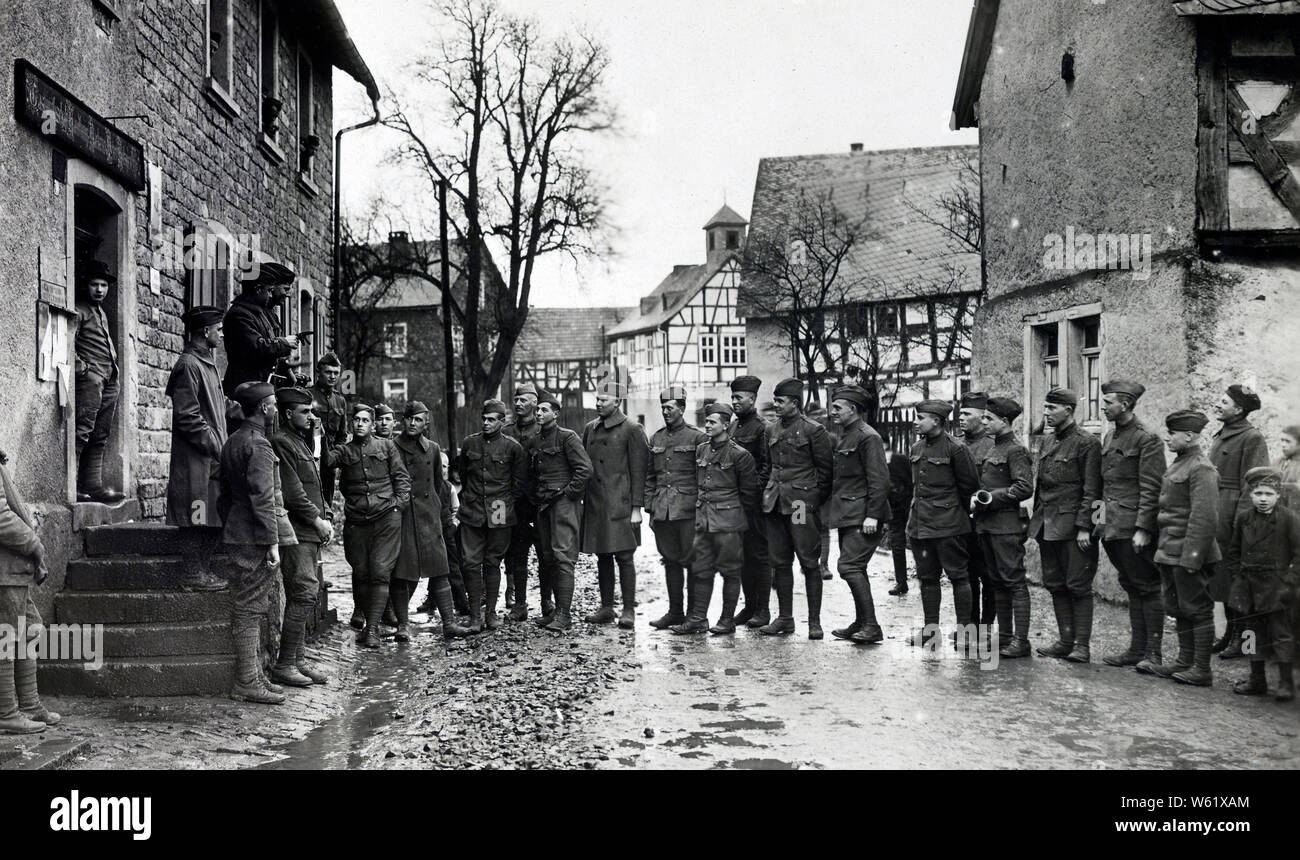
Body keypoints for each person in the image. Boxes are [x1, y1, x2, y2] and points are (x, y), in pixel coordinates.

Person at [219, 382, 295, 705]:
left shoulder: (233, 441)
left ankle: (254, 674)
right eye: (274, 404)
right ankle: (247, 679)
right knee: (250, 608)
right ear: (264, 408)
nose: (277, 409)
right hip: (254, 538)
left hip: (236, 532)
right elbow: (264, 500)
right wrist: (273, 543)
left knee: (249, 605)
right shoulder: (260, 446)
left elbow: (223, 496)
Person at [1096, 379, 1167, 669]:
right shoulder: (1110, 437)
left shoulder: (1147, 438)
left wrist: (1144, 529)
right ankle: (1136, 650)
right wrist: (1096, 523)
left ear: (1125, 404)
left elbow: (1152, 488)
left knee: (1147, 586)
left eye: (1108, 402)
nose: (1103, 407)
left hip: (1133, 527)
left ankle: (1153, 654)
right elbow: (1102, 486)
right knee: (1131, 585)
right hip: (1111, 527)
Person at [165, 305, 236, 592]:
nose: (221, 334)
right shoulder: (189, 365)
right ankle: (192, 575)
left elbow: (218, 405)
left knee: (212, 514)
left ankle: (201, 572)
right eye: (218, 329)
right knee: (196, 516)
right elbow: (187, 417)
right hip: (196, 460)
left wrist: (245, 408)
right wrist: (217, 445)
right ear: (205, 331)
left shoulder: (206, 363)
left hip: (211, 459)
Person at [671, 402, 758, 635]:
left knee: (730, 570)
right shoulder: (702, 450)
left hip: (728, 523)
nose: (707, 425)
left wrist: (738, 521)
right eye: (706, 421)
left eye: (712, 422)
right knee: (700, 569)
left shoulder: (740, 455)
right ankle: (698, 619)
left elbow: (749, 495)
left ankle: (727, 620)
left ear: (726, 425)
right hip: (704, 521)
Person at [1029, 388, 1102, 662]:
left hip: (1075, 528)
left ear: (1068, 410)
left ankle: (1082, 646)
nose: (1046, 413)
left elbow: (1095, 491)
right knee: (1056, 584)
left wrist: (1089, 527)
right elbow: (1041, 489)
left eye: (1051, 408)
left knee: (1078, 585)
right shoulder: (1048, 442)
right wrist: (1036, 525)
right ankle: (1065, 640)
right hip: (1048, 526)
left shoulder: (1088, 443)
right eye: (1045, 407)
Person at [328, 404, 411, 648]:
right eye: (356, 420)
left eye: (365, 420)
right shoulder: (344, 451)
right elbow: (326, 461)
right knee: (362, 571)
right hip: (357, 521)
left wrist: (398, 505)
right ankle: (367, 625)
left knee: (380, 570)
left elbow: (402, 478)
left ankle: (372, 629)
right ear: (352, 424)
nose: (360, 424)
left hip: (386, 517)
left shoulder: (387, 447)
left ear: (373, 425)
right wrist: (320, 434)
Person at [1150, 409, 1221, 686]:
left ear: (1189, 435)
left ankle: (1202, 669)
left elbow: (1205, 518)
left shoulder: (1201, 468)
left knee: (1197, 608)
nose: (1167, 438)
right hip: (1170, 550)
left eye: (1172, 433)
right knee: (1179, 608)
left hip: (1188, 553)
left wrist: (1192, 558)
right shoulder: (1179, 464)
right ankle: (1184, 661)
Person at [268, 387, 334, 686]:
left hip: (308, 530)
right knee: (304, 591)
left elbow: (312, 485)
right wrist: (317, 521)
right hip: (296, 530)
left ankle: (298, 659)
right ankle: (285, 664)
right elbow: (293, 493)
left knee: (307, 592)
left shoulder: (299, 440)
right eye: (304, 412)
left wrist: (325, 514)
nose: (311, 416)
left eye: (311, 411)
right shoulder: (282, 442)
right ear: (287, 414)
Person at [759, 378, 833, 639]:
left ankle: (814, 622)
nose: (776, 405)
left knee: (808, 561)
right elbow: (768, 467)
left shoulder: (814, 430)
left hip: (801, 504)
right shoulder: (771, 430)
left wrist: (811, 501)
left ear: (795, 403)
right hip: (775, 503)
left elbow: (826, 472)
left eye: (781, 401)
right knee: (780, 562)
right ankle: (785, 619)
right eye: (776, 401)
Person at [906, 399, 980, 648]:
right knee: (927, 578)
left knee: (959, 577)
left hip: (949, 526)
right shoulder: (916, 448)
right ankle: (931, 631)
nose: (916, 422)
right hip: (920, 524)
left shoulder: (956, 448)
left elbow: (969, 487)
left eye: (920, 418)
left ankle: (966, 633)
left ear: (936, 421)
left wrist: (952, 514)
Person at [580, 381, 649, 629]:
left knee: (625, 557)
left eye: (604, 400)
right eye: (597, 400)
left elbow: (639, 472)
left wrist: (636, 509)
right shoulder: (590, 428)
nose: (598, 404)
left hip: (620, 504)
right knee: (602, 556)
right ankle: (606, 607)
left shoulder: (633, 429)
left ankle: (628, 609)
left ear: (617, 402)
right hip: (597, 503)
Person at [1209, 384, 1270, 660]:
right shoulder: (1222, 435)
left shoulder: (1251, 437)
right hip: (1218, 514)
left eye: (1224, 401)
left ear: (1239, 409)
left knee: (1239, 583)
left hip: (1236, 517)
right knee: (1224, 579)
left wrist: (1244, 522)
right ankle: (1230, 635)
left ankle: (1245, 643)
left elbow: (1255, 482)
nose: (1218, 404)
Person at [825, 385, 891, 644]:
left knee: (848, 566)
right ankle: (862, 621)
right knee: (855, 567)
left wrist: (873, 515)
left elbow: (879, 480)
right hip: (848, 513)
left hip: (864, 514)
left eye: (838, 408)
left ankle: (872, 625)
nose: (833, 412)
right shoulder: (846, 434)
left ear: (853, 409)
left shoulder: (868, 436)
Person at [0, 447, 59, 734]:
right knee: (5, 641)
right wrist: (34, 544)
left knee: (31, 629)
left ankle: (30, 705)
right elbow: (0, 518)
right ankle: (7, 713)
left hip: (12, 570)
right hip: (3, 572)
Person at [391, 401, 461, 640]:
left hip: (429, 517)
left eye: (418, 419)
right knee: (403, 572)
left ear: (425, 423)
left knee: (440, 570)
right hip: (404, 517)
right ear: (403, 420)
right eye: (409, 418)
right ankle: (402, 625)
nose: (413, 423)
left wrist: (441, 516)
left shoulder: (432, 448)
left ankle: (449, 624)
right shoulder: (392, 447)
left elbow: (437, 486)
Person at [971, 396, 1034, 656]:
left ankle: (1021, 641)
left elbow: (1024, 487)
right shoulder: (992, 448)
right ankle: (1005, 637)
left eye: (989, 418)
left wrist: (989, 499)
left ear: (1005, 422)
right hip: (987, 525)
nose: (984, 422)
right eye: (983, 417)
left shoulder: (1015, 450)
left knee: (1014, 581)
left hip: (1007, 526)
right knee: (997, 581)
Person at [1228, 466, 1297, 702]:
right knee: (1251, 633)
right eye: (1258, 494)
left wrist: (1289, 582)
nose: (1263, 499)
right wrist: (1238, 576)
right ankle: (1256, 678)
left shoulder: (1288, 519)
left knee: (1281, 634)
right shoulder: (1244, 518)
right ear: (1250, 495)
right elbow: (1234, 551)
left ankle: (1286, 683)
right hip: (1248, 586)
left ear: (1278, 495)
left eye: (1268, 494)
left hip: (1276, 587)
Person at [457, 399, 527, 631]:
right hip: (473, 510)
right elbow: (464, 477)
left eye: (491, 420)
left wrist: (503, 502)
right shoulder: (469, 444)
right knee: (469, 562)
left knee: (493, 561)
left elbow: (518, 484)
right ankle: (475, 615)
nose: (486, 423)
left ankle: (491, 614)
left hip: (499, 509)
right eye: (484, 419)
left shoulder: (513, 447)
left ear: (502, 421)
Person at [528, 390, 592, 631]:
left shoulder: (568, 437)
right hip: (544, 505)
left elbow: (584, 470)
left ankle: (565, 615)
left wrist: (568, 495)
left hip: (564, 504)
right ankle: (555, 611)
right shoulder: (535, 441)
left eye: (544, 410)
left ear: (555, 414)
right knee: (547, 557)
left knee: (563, 557)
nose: (539, 413)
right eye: (538, 410)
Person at [646, 385, 708, 629]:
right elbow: (650, 475)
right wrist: (650, 504)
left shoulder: (697, 437)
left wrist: (702, 507)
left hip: (689, 510)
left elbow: (705, 475)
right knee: (670, 561)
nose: (665, 411)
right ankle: (675, 612)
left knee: (692, 561)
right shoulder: (657, 438)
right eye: (663, 407)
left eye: (670, 407)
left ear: (682, 409)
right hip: (663, 510)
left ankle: (695, 615)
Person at [73, 260, 124, 503]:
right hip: (92, 381)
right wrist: (85, 370)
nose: (100, 290)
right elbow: (66, 345)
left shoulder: (101, 312)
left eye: (104, 285)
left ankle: (93, 486)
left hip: (110, 379)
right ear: (86, 285)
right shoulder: (79, 311)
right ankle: (72, 488)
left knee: (101, 434)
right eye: (95, 284)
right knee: (83, 431)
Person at [504, 382, 550, 620]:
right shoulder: (507, 432)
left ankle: (546, 603)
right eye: (516, 399)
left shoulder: (543, 431)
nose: (518, 403)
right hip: (515, 505)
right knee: (516, 554)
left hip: (539, 504)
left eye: (523, 400)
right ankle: (519, 605)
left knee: (545, 555)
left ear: (534, 402)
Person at [728, 375, 772, 627]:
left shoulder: (762, 428)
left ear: (752, 399)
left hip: (754, 503)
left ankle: (763, 610)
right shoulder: (733, 427)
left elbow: (767, 466)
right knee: (742, 556)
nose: (734, 402)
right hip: (734, 503)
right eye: (732, 397)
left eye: (739, 397)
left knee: (760, 555)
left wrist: (751, 492)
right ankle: (749, 607)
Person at [221, 260, 299, 398]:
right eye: (268, 291)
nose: (270, 295)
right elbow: (257, 347)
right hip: (245, 390)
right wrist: (284, 343)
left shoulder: (258, 313)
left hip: (260, 388)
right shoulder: (239, 315)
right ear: (257, 289)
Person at [958, 391, 996, 628]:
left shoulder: (993, 446)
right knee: (965, 573)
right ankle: (969, 625)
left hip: (986, 519)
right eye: (960, 413)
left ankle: (986, 626)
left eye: (967, 414)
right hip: (960, 520)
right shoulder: (955, 444)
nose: (960, 418)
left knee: (988, 575)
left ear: (982, 417)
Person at [309, 353, 349, 508]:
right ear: (318, 372)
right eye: (328, 372)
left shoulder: (340, 400)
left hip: (329, 460)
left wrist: (335, 455)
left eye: (336, 373)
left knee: (327, 503)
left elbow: (342, 435)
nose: (332, 376)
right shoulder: (307, 395)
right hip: (309, 456)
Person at [885, 448, 913, 596]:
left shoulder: (900, 459)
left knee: (917, 542)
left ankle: (925, 579)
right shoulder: (875, 460)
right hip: (893, 510)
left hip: (909, 506)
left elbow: (911, 481)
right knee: (897, 544)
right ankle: (901, 582)